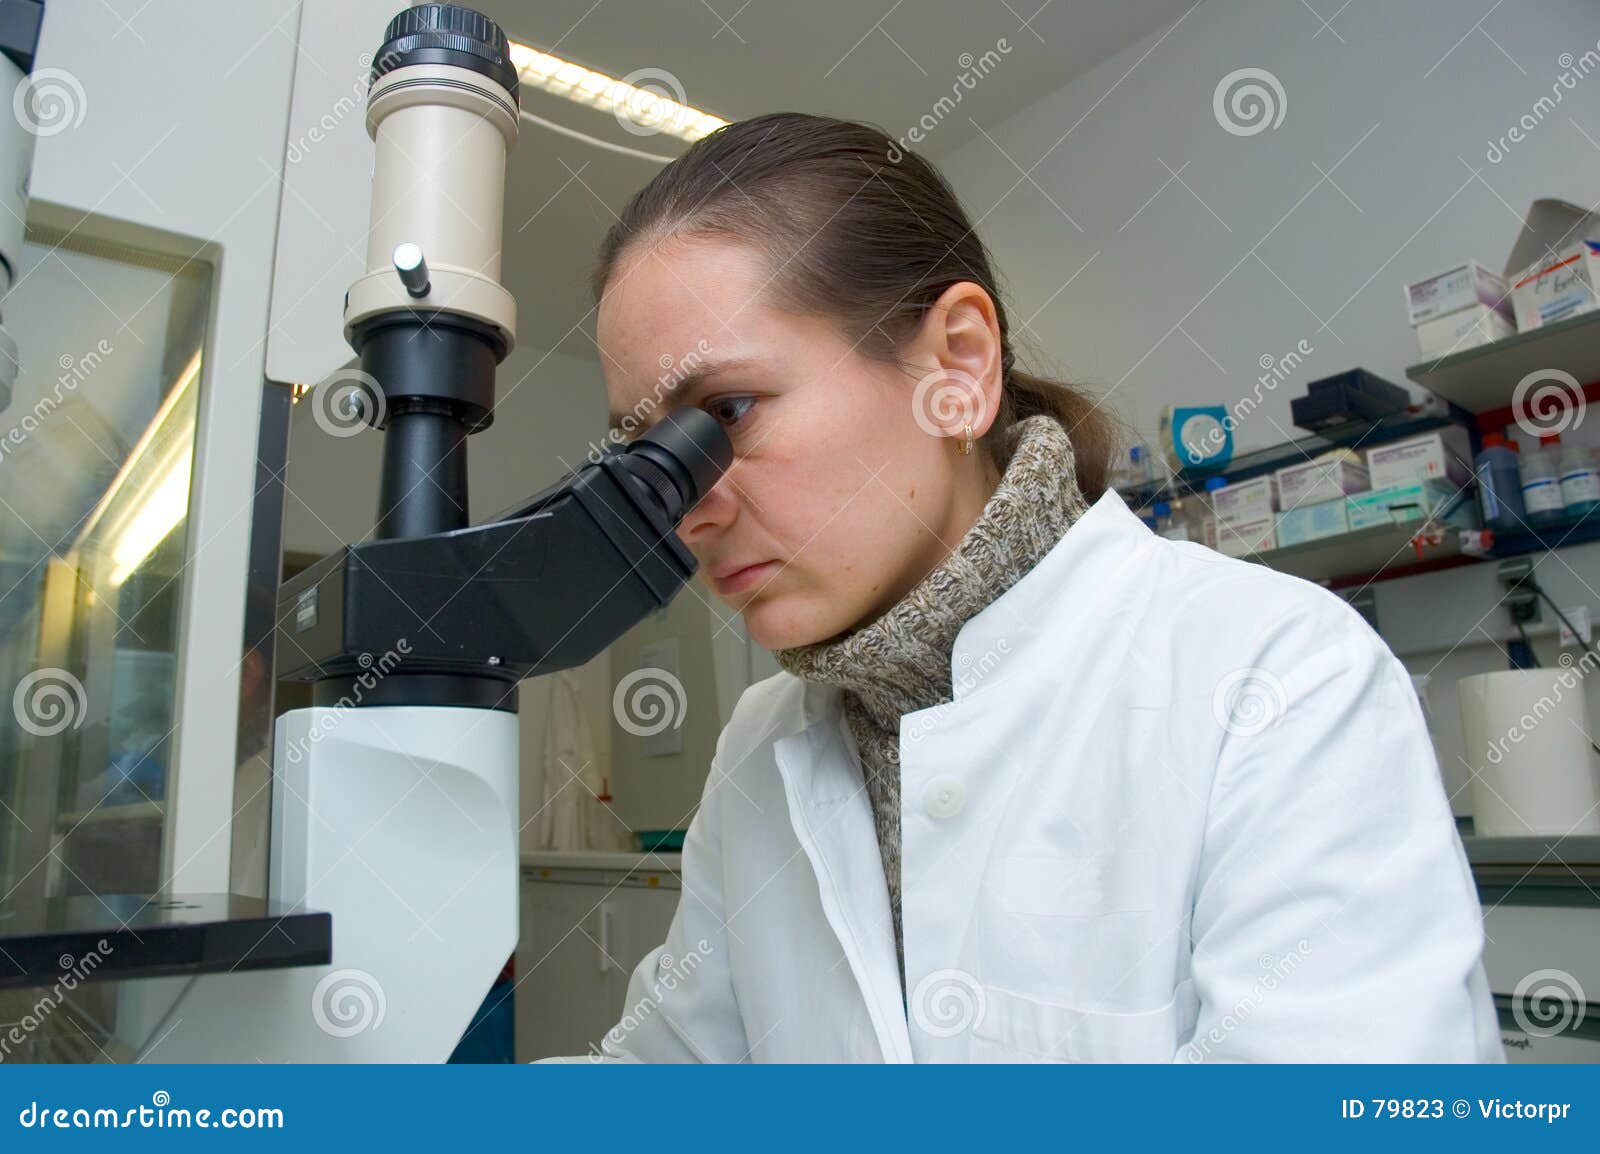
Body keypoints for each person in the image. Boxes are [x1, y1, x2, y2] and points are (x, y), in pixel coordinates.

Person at [571, 112, 1501, 1062]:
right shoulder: (762, 742)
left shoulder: (1280, 678)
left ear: (958, 365)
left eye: (727, 412)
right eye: (648, 457)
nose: (685, 508)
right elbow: (674, 1080)